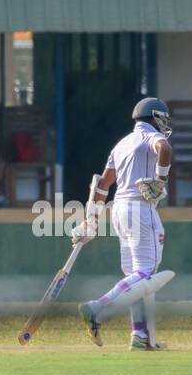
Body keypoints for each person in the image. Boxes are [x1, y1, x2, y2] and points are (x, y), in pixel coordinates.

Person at [76, 98, 177, 350]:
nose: (164, 123)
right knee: (145, 273)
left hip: (119, 209)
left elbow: (102, 185)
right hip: (140, 208)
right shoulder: (150, 137)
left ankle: (140, 336)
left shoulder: (121, 144)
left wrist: (92, 221)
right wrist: (160, 180)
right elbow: (164, 148)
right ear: (153, 118)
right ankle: (97, 308)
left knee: (136, 278)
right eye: (162, 118)